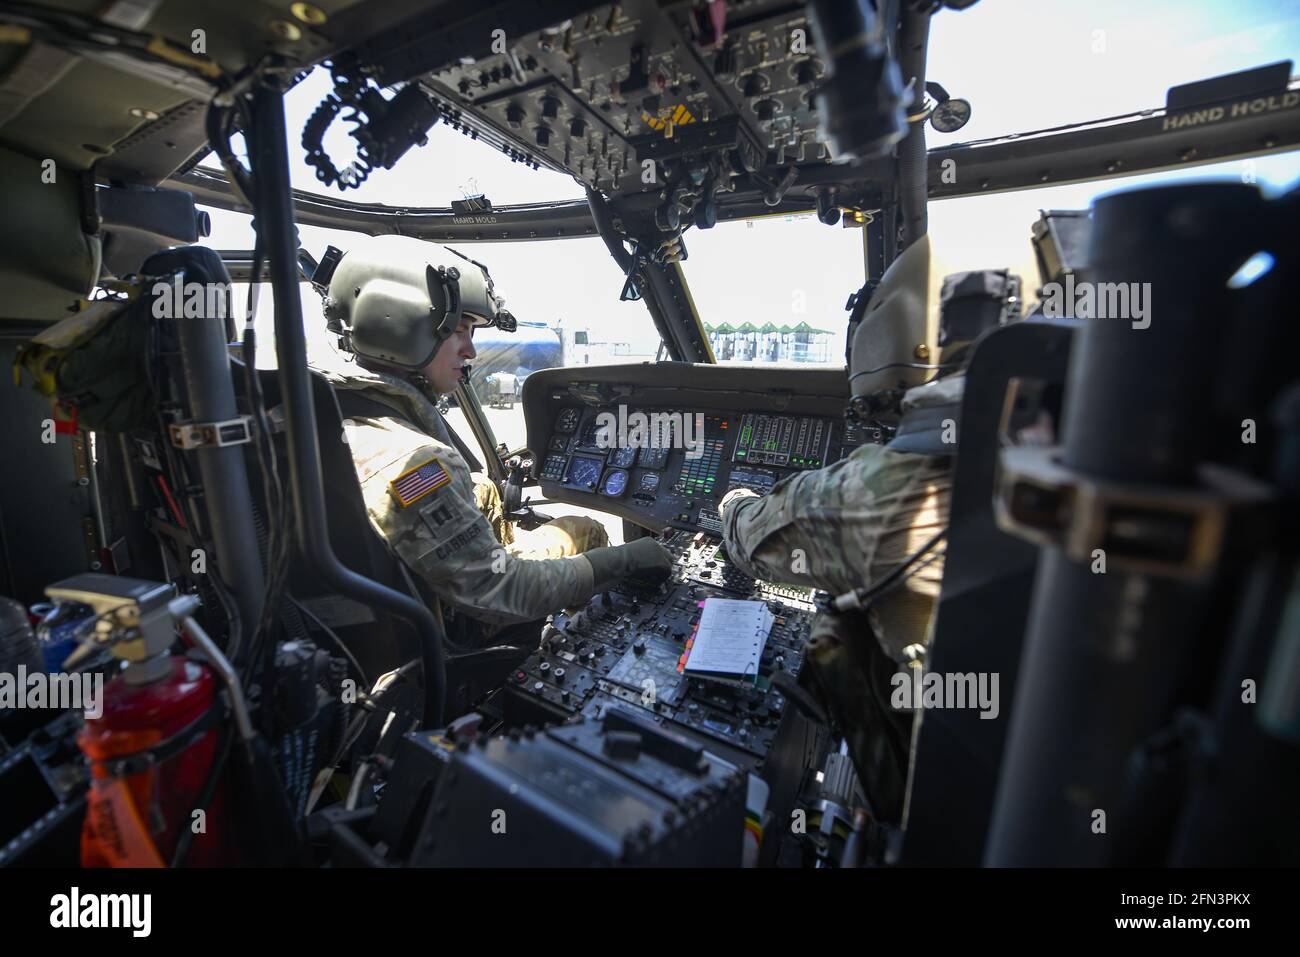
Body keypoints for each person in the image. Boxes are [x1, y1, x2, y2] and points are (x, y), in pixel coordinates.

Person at [313, 235, 671, 633]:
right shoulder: (413, 461)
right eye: (460, 330)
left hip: (363, 614)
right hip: (458, 621)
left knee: (482, 485)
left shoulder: (320, 408)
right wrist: (627, 559)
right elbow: (502, 589)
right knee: (583, 529)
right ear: (401, 322)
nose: (470, 352)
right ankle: (580, 645)